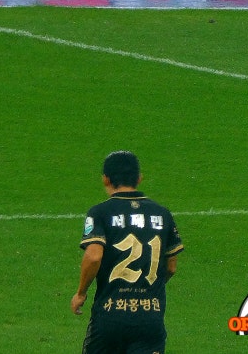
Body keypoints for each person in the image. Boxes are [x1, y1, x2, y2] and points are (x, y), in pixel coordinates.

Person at [71, 150, 184, 354]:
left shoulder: (99, 213)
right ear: (139, 178)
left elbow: (94, 256)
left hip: (109, 317)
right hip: (150, 319)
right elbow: (171, 267)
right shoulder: (163, 214)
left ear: (106, 179)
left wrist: (81, 293)